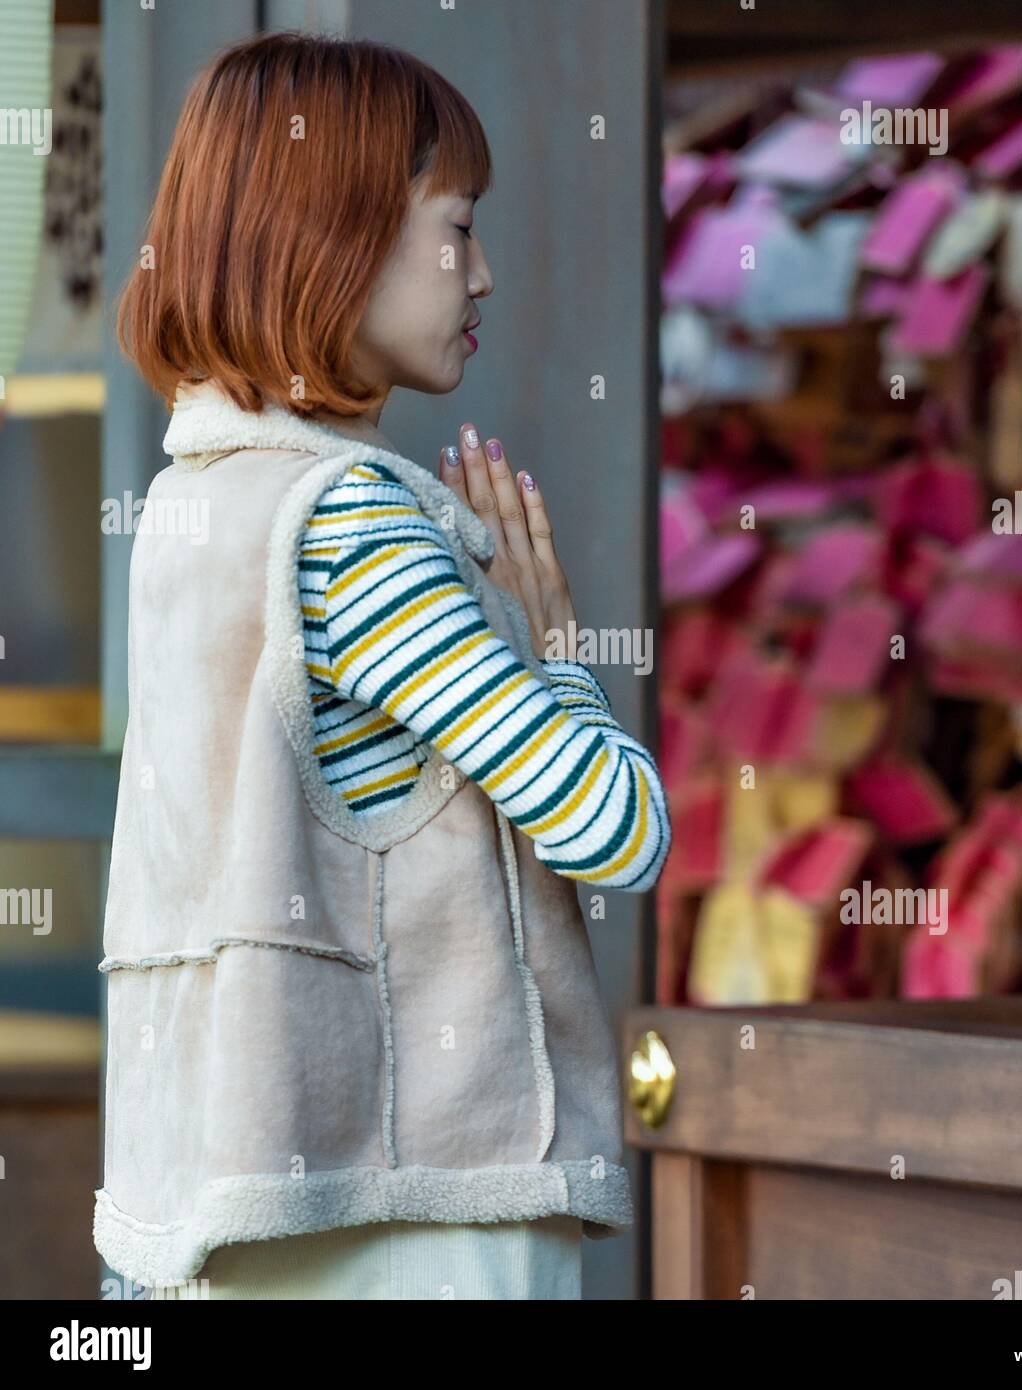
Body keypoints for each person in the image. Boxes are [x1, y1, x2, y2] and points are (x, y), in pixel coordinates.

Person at [94, 30, 670, 1301]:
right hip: (410, 1210)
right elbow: (617, 827)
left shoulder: (195, 503)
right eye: (455, 229)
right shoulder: (354, 521)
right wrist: (559, 647)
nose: (486, 272)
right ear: (334, 234)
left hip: (213, 1197)